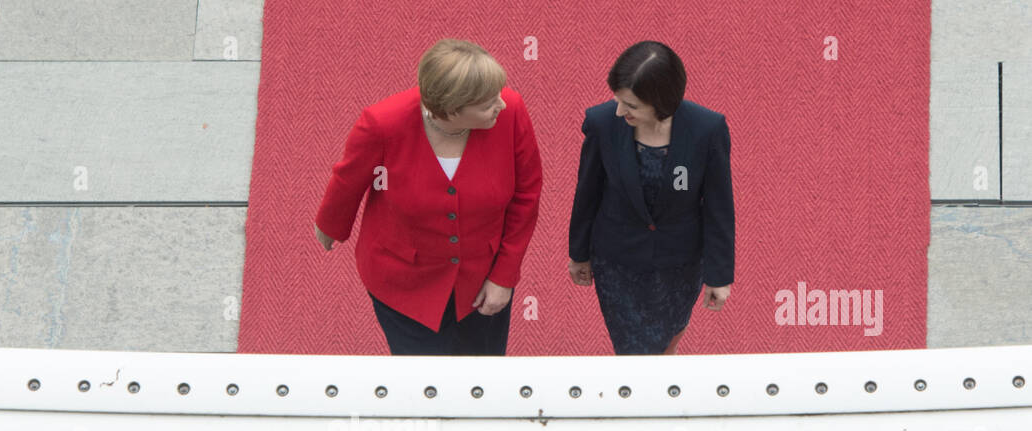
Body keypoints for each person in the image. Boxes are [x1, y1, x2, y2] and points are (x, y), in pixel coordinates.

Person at [314, 38, 543, 355]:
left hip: (481, 279)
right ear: (451, 111)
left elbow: (526, 195)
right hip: (403, 283)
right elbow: (348, 180)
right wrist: (331, 226)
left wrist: (504, 276)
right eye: (487, 104)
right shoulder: (382, 124)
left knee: (481, 376)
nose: (500, 105)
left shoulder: (511, 110)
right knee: (424, 384)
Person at [567, 41, 734, 355]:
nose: (620, 111)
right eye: (618, 100)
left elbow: (718, 206)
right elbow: (587, 192)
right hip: (617, 264)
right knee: (632, 353)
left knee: (665, 347)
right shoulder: (602, 123)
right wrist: (579, 254)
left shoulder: (707, 129)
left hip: (680, 266)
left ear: (661, 101)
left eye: (630, 105)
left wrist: (719, 275)